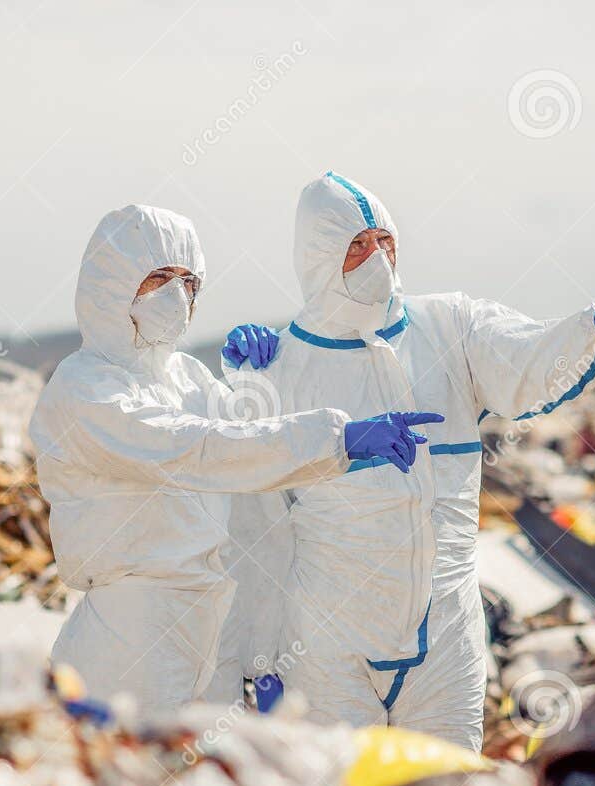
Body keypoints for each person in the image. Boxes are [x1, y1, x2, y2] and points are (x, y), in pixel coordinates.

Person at [219, 171, 595, 748]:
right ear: (319, 257)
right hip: (326, 644)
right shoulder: (281, 363)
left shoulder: (450, 326)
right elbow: (250, 519)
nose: (377, 258)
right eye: (356, 246)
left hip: (447, 637)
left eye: (383, 240)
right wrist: (260, 657)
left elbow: (526, 357)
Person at [30, 203, 441, 712]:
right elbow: (199, 450)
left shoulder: (188, 377)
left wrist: (252, 380)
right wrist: (339, 438)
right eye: (159, 278)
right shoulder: (85, 388)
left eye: (189, 282)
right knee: (128, 781)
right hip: (131, 635)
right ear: (111, 283)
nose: (178, 297)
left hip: (214, 629)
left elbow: (254, 477)